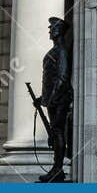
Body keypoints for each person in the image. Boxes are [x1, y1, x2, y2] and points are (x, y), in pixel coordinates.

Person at [35, 16, 72, 182]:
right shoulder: (56, 50)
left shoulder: (62, 51)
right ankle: (56, 168)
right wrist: (43, 98)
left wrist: (52, 99)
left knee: (57, 132)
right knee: (55, 132)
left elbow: (63, 77)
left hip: (59, 99)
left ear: (58, 31)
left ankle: (57, 168)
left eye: (52, 28)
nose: (49, 31)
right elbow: (51, 79)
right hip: (53, 98)